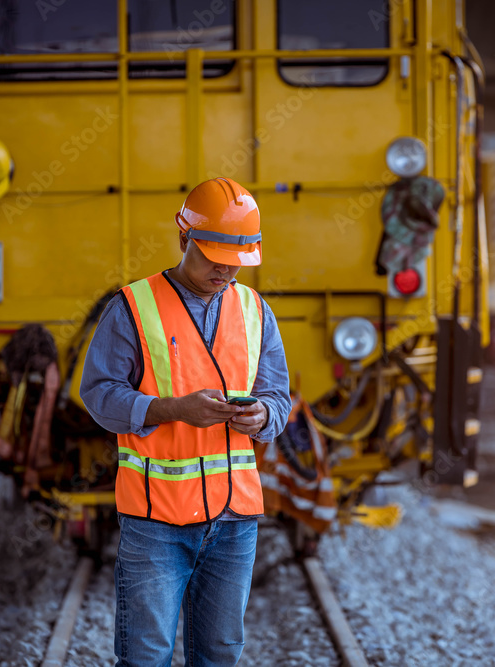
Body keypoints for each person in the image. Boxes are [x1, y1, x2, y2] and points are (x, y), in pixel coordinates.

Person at [80, 177, 291, 666]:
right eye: (214, 254)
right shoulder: (132, 307)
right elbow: (99, 396)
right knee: (145, 656)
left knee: (219, 654)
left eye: (236, 258)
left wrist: (263, 416)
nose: (224, 268)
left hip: (235, 519)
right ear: (183, 239)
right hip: (156, 520)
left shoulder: (257, 312)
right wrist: (173, 409)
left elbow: (278, 398)